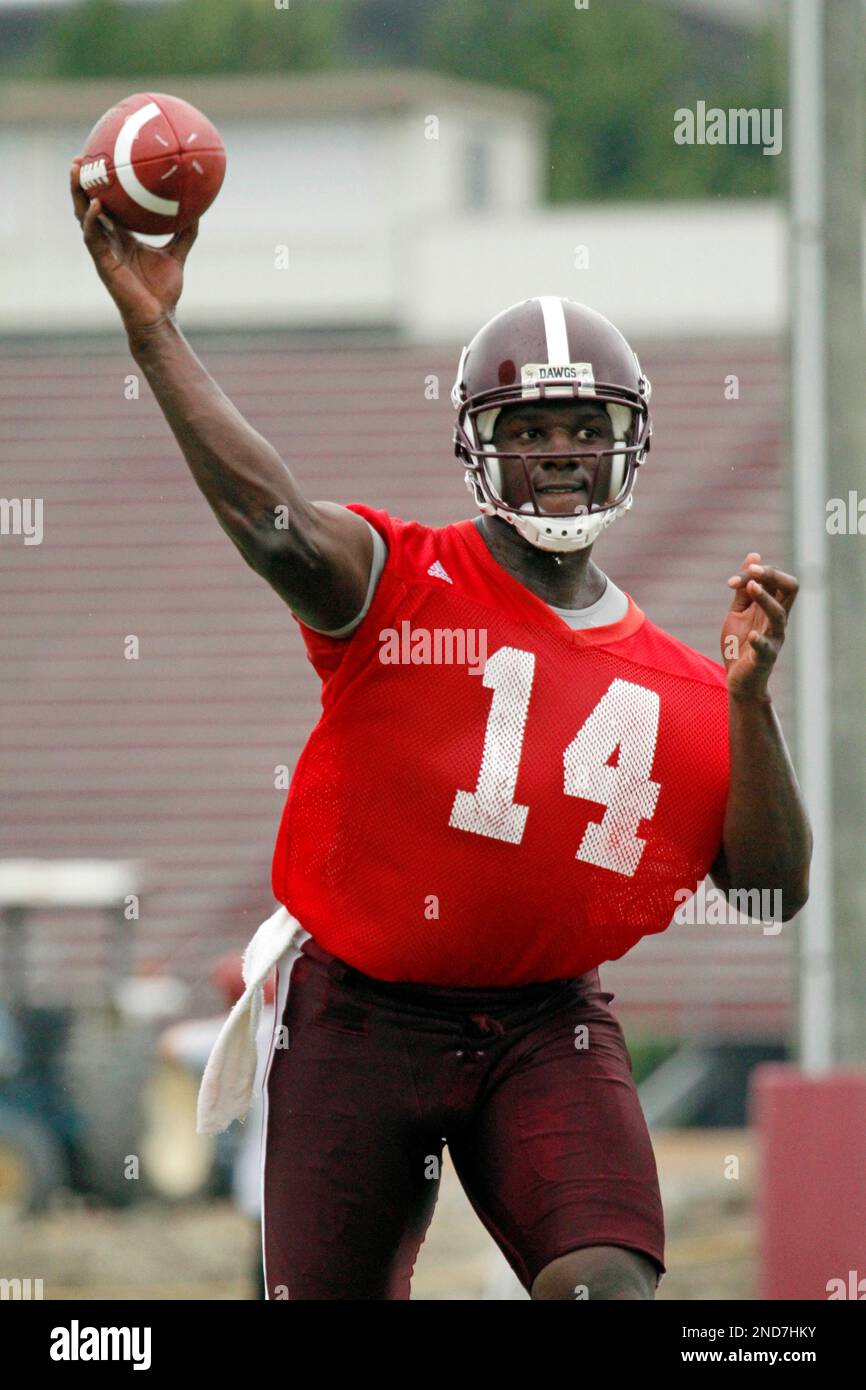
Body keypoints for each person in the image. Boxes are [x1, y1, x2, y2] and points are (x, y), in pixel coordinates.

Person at [70, 166, 812, 1301]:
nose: (560, 450)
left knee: (609, 1288)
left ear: (626, 442)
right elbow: (272, 527)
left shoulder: (681, 680)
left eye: (582, 425)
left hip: (545, 1024)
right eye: (531, 426)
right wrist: (156, 332)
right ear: (480, 445)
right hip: (358, 1014)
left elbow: (770, 886)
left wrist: (751, 704)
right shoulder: (401, 579)